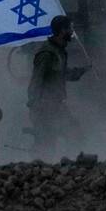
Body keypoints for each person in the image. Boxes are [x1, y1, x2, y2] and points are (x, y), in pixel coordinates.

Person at [27, 15, 87, 157]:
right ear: (62, 30)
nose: (72, 32)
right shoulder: (47, 53)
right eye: (70, 28)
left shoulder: (59, 51)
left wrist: (81, 71)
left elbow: (61, 74)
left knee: (74, 134)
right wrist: (35, 106)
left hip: (56, 104)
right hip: (46, 107)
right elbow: (36, 80)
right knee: (47, 143)